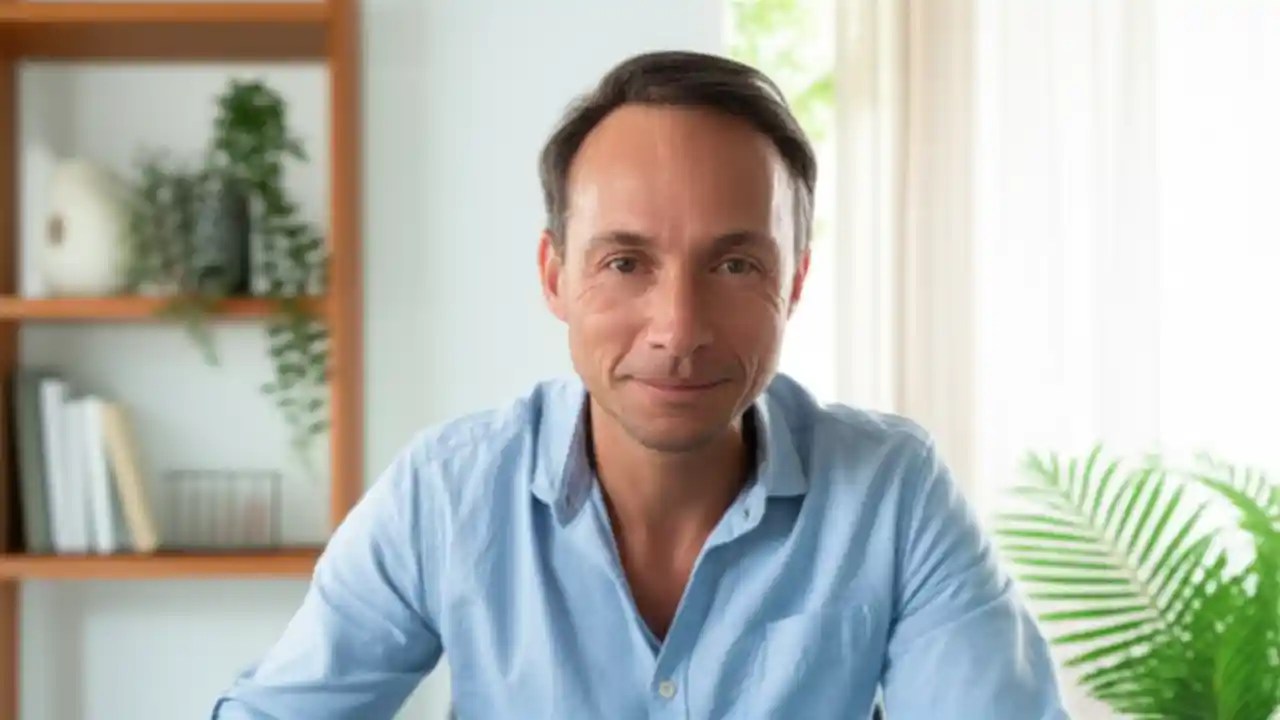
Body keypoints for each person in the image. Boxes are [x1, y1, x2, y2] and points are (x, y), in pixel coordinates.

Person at [212, 50, 1067, 719]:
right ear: (555, 276)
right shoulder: (447, 493)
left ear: (795, 281)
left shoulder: (891, 495)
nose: (678, 328)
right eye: (625, 262)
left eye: (735, 264)